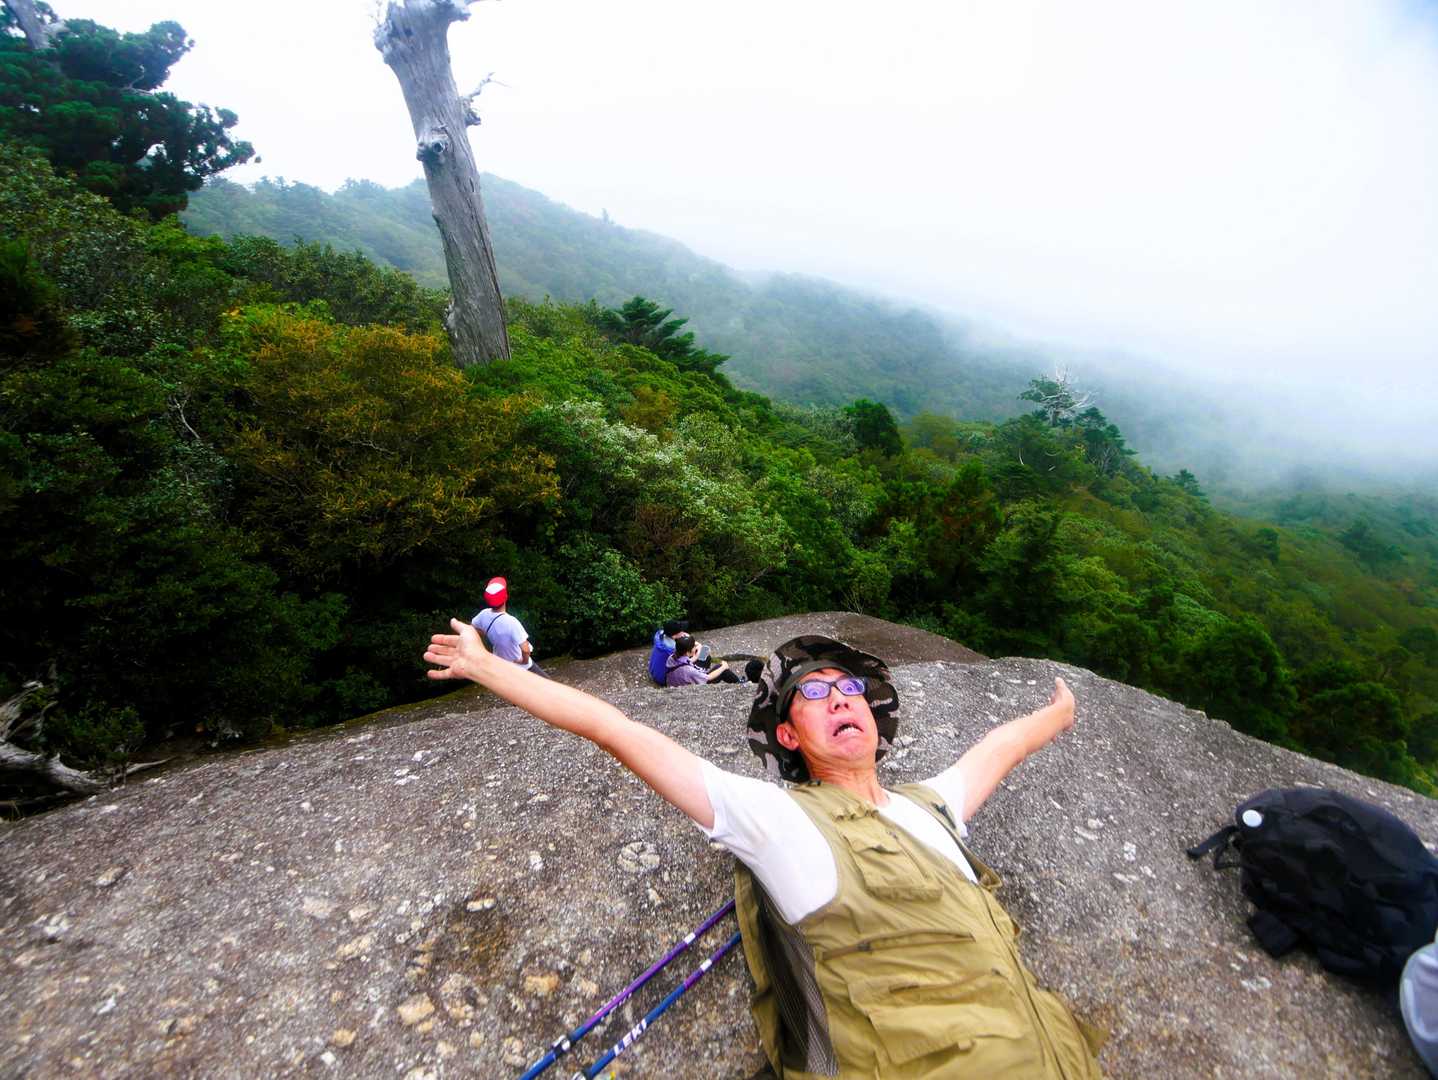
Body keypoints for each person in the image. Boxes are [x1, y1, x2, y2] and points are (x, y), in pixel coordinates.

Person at [423, 625, 1102, 1078]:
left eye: (849, 690)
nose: (840, 697)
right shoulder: (775, 818)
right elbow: (614, 728)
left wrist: (1057, 715)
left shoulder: (934, 805)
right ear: (786, 737)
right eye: (813, 692)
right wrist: (488, 668)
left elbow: (999, 749)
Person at [470, 576, 549, 678]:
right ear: (506, 597)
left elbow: (472, 628)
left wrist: (487, 633)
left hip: (502, 666)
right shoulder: (511, 622)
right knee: (548, 683)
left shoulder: (483, 614)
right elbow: (525, 649)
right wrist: (523, 660)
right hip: (522, 667)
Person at [665, 631, 736, 686]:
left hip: (679, 678)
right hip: (696, 682)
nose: (695, 647)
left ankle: (709, 664)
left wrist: (696, 656)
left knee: (705, 653)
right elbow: (708, 677)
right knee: (721, 667)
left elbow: (685, 662)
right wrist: (723, 667)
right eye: (693, 647)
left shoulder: (671, 657)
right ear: (687, 652)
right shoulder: (689, 670)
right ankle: (739, 683)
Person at [648, 619, 688, 686]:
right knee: (702, 660)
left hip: (654, 671)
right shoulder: (674, 649)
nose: (683, 632)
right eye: (681, 631)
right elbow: (687, 661)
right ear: (674, 636)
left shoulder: (660, 635)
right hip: (664, 679)